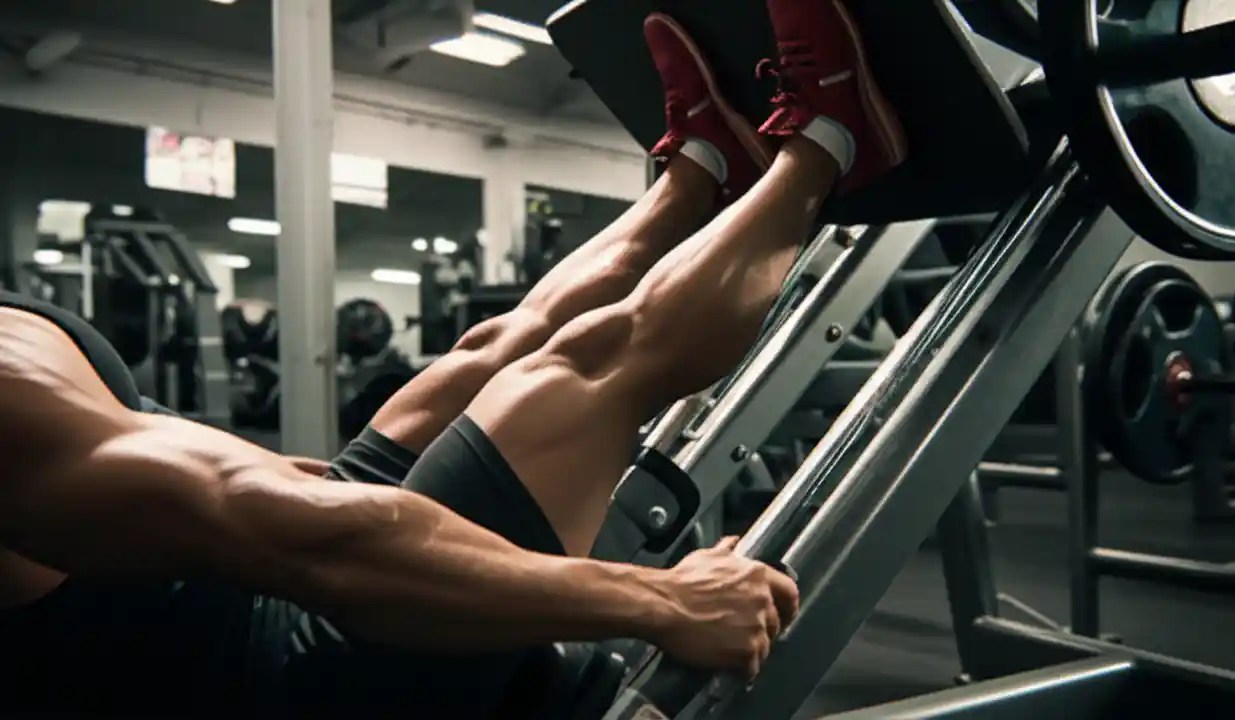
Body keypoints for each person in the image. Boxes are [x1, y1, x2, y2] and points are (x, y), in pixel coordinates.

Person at [0, 0, 906, 715]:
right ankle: (833, 143)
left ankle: (702, 171)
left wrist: (305, 480)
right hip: (302, 681)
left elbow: (189, 489)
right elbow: (303, 545)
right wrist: (662, 600)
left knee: (486, 350)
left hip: (255, 594)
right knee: (586, 366)